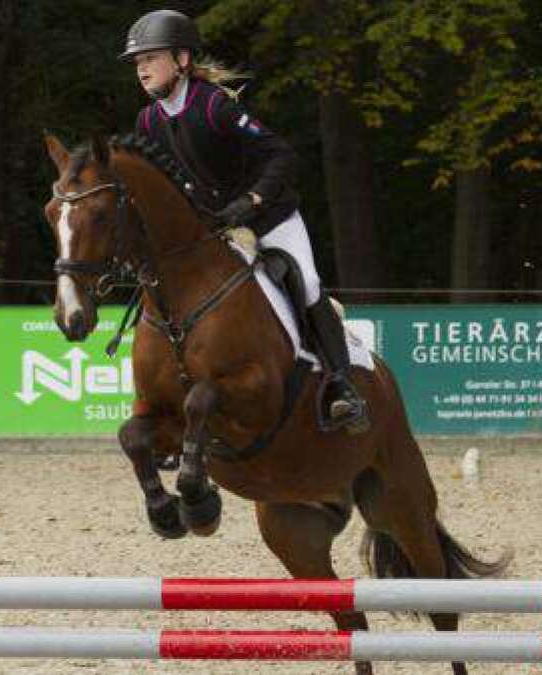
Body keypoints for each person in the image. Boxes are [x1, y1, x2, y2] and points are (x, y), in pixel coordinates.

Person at [121, 9, 369, 434]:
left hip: (269, 217)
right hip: (214, 232)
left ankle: (342, 387)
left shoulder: (214, 105)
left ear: (181, 60)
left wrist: (251, 199)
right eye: (138, 62)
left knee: (306, 283)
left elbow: (280, 155)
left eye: (151, 58)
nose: (142, 68)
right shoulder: (148, 121)